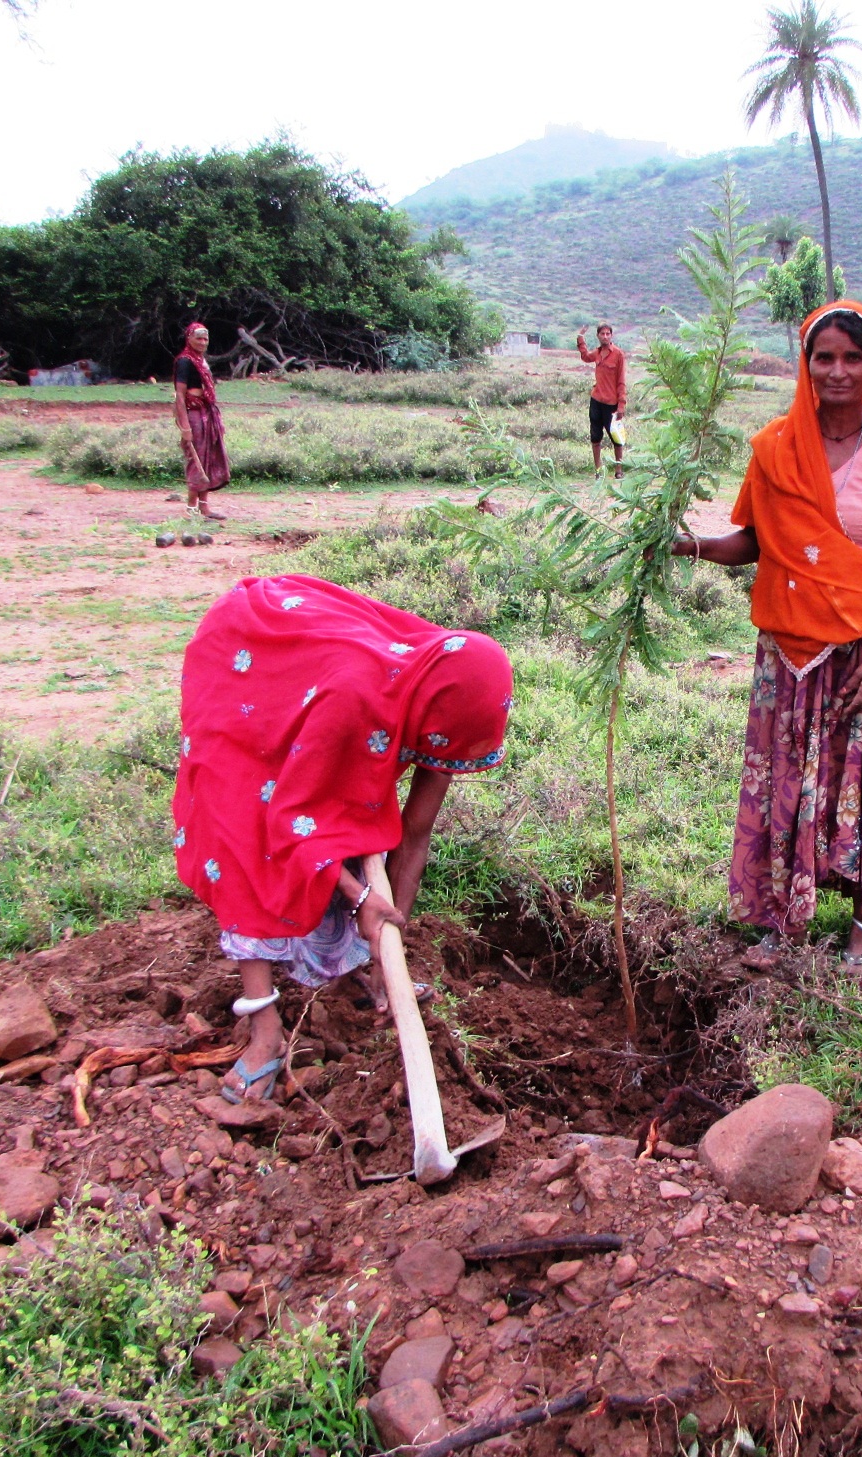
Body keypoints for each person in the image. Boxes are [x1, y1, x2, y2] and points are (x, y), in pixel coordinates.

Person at [173, 576, 513, 1100]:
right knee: (249, 843)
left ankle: (353, 970)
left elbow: (413, 833)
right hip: (248, 670)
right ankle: (265, 1036)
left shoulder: (444, 697)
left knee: (356, 818)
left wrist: (387, 939)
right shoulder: (357, 701)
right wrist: (360, 904)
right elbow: (298, 825)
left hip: (322, 686)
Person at [670, 301, 862, 969]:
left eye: (852, 357)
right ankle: (781, 919)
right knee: (789, 780)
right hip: (790, 655)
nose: (838, 371)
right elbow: (754, 543)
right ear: (806, 364)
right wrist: (684, 546)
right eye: (824, 358)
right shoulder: (776, 446)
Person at [174, 322, 230, 520]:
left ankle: (204, 508)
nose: (202, 342)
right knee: (196, 459)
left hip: (207, 412)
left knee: (207, 459)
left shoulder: (201, 361)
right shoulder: (185, 361)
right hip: (194, 414)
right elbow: (180, 396)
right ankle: (190, 509)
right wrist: (185, 427)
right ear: (189, 338)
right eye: (198, 338)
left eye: (205, 339)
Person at [575, 323, 627, 477]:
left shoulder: (618, 354)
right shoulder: (597, 353)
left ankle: (619, 469)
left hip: (611, 403)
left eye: (607, 334)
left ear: (611, 336)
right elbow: (585, 357)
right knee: (595, 436)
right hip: (596, 400)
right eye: (602, 334)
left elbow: (621, 380)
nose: (605, 336)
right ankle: (598, 470)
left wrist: (621, 404)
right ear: (598, 336)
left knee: (616, 438)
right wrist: (580, 338)